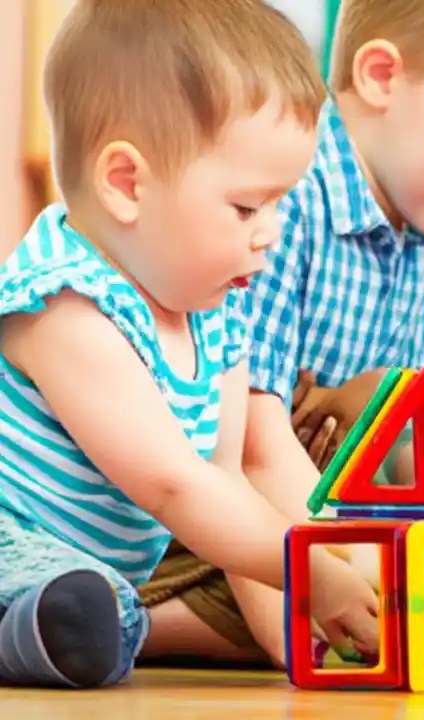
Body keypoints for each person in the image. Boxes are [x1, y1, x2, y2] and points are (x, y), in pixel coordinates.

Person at [137, 0, 424, 667]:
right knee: (356, 600)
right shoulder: (284, 199)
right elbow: (245, 447)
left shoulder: (419, 227)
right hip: (188, 505)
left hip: (292, 497)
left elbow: (414, 435)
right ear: (384, 77)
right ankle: (127, 617)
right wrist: (313, 616)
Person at [0, 0, 378, 688]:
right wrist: (312, 572)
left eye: (280, 203)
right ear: (126, 183)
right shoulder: (65, 306)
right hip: (11, 545)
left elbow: (232, 480)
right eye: (246, 207)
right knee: (81, 599)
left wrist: (326, 600)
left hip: (89, 574)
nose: (270, 232)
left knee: (104, 606)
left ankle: (57, 628)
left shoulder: (216, 318)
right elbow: (177, 484)